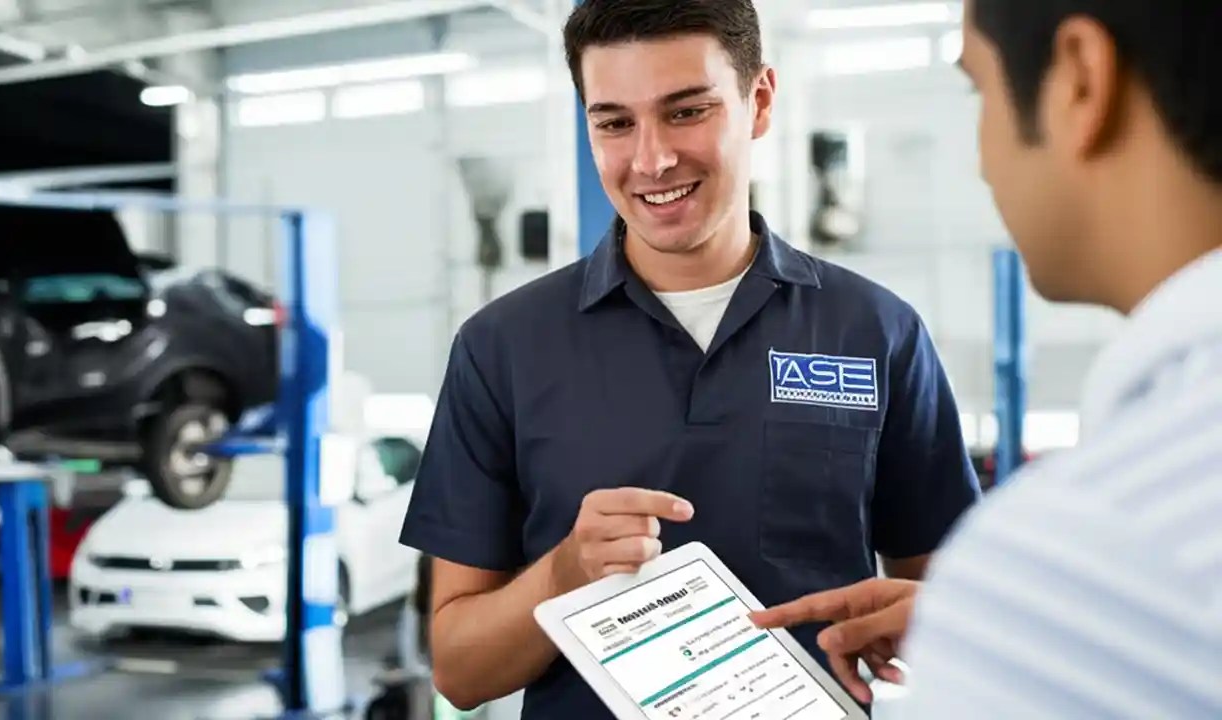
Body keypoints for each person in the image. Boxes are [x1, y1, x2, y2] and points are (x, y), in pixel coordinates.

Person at [398, 0, 982, 716]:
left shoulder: (875, 333)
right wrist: (563, 573)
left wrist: (930, 629)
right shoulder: (502, 348)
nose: (651, 159)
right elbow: (459, 671)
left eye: (685, 112)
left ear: (759, 101)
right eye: (614, 122)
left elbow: (956, 614)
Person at [751, 0, 1222, 716]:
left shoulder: (1091, 548)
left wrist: (1001, 624)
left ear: (1079, 81)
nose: (980, 159)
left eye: (980, 90)